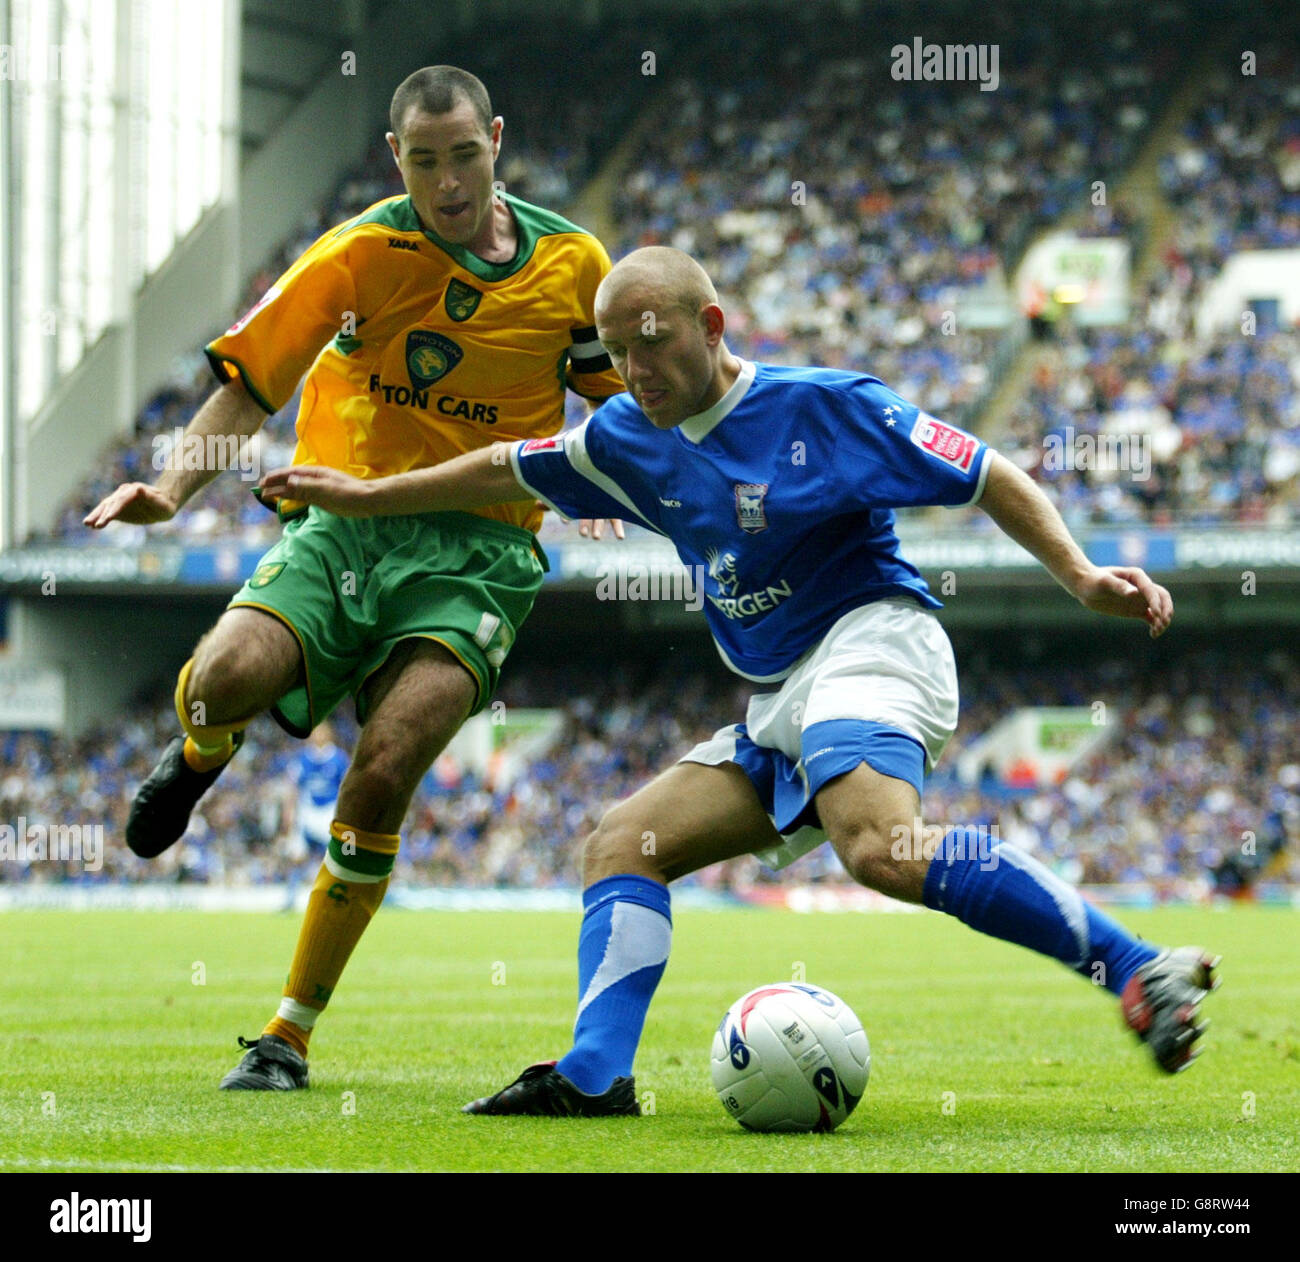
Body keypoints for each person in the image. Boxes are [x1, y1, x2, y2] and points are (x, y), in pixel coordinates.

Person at [258, 246, 1219, 1116]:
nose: (633, 373)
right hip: (781, 698)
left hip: (873, 639)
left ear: (710, 328)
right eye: (614, 354)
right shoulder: (627, 438)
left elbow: (987, 473)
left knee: (878, 847)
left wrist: (1082, 575)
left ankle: (1140, 971)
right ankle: (596, 1077)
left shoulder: (828, 406)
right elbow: (504, 467)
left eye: (651, 344)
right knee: (619, 844)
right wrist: (368, 493)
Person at [83, 66, 626, 1090]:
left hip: (481, 552)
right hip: (340, 527)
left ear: (496, 140)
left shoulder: (573, 265)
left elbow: (621, 399)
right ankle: (202, 753)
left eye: (465, 156)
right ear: (397, 159)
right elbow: (247, 389)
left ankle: (286, 1034)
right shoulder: (358, 252)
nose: (449, 182)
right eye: (425, 162)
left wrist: (616, 473)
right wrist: (170, 487)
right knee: (218, 679)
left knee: (387, 759)